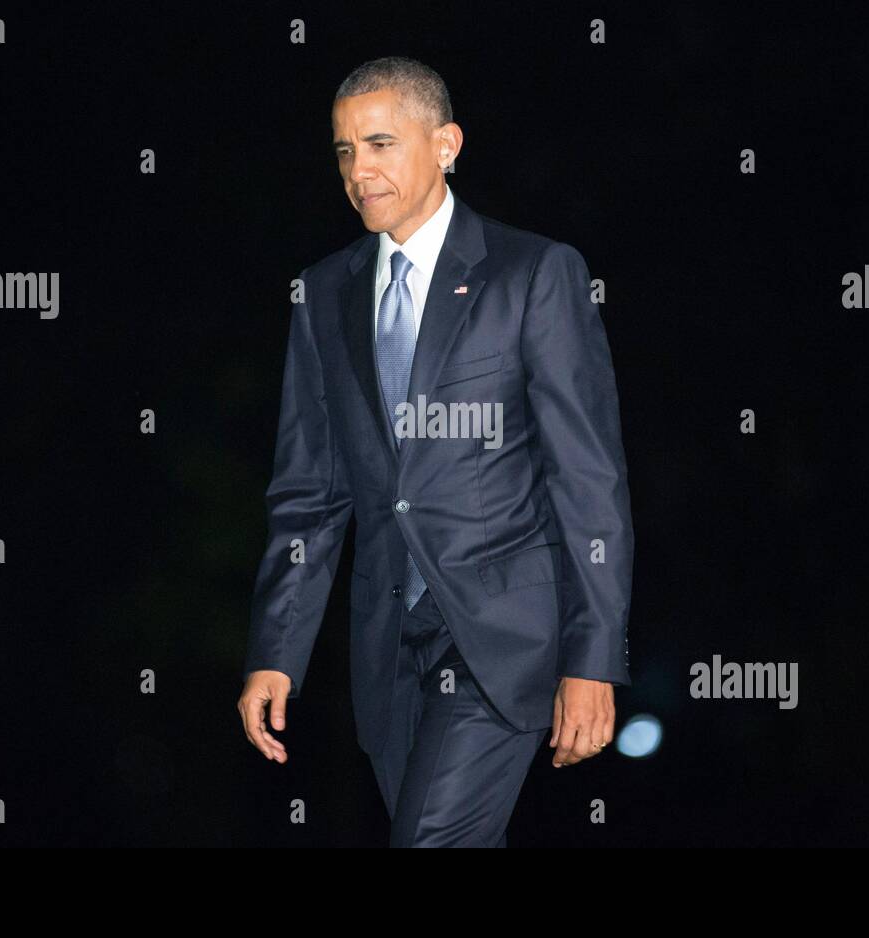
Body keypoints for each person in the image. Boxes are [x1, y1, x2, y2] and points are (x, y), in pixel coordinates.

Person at [238, 56, 633, 847]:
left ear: (446, 143)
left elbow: (588, 478)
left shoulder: (533, 275)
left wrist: (594, 659)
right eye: (345, 151)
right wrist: (276, 651)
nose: (360, 170)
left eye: (381, 143)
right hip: (387, 648)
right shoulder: (322, 295)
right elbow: (310, 494)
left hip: (503, 640)